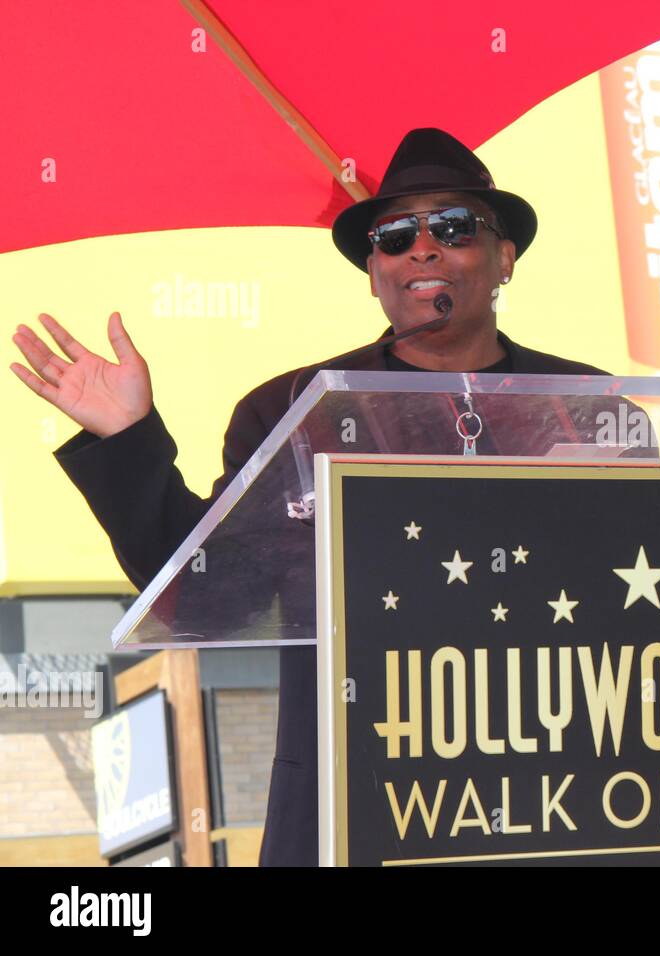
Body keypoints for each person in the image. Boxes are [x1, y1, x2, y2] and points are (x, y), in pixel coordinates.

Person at [10, 128, 621, 865]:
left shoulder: (586, 406)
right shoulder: (293, 408)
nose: (421, 248)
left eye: (454, 226)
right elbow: (205, 599)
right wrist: (128, 439)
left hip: (558, 795)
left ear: (504, 259)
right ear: (374, 272)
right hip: (351, 800)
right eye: (394, 236)